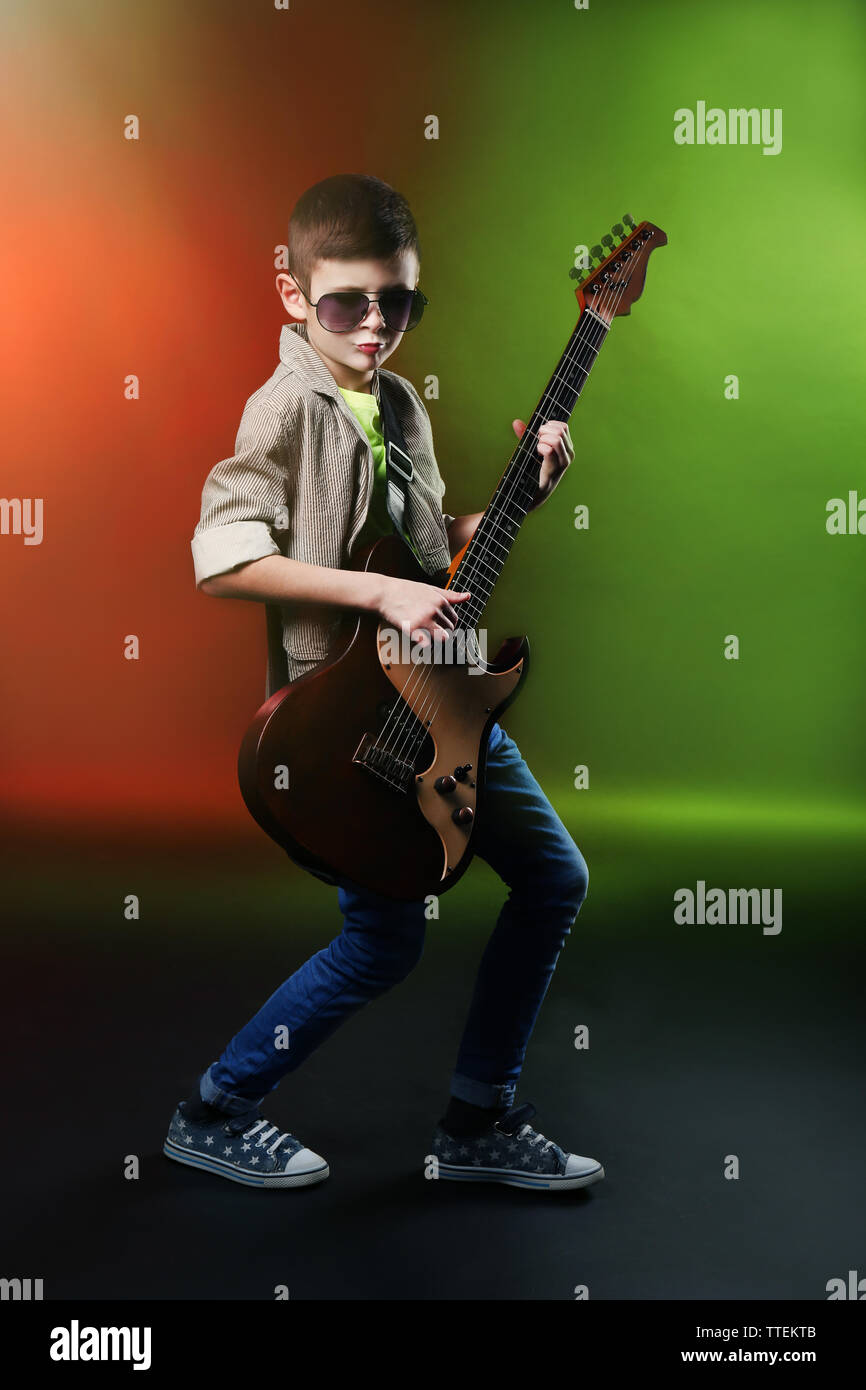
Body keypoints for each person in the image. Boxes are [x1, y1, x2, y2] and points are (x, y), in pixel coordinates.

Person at [163, 173, 603, 1193]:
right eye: (345, 302)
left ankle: (476, 1118)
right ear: (290, 292)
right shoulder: (281, 410)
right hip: (358, 725)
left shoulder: (399, 402)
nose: (372, 326)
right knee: (383, 941)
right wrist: (377, 597)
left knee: (553, 879)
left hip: (445, 695)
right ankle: (215, 1107)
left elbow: (426, 559)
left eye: (397, 302)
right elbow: (222, 559)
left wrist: (513, 501)